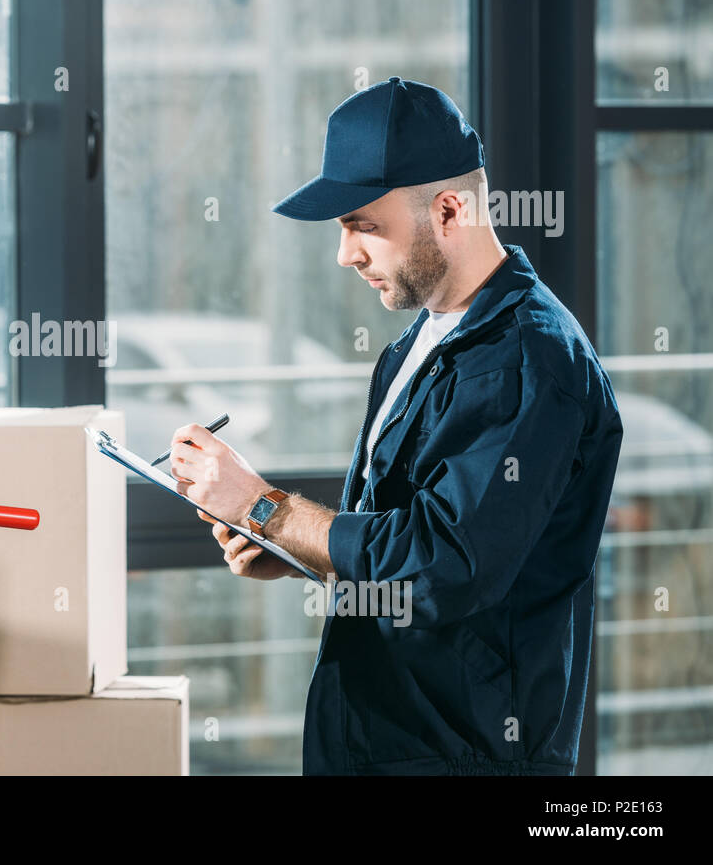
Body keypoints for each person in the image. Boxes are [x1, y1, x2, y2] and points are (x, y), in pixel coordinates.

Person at [168, 77, 624, 775]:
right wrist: (294, 550)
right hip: (379, 742)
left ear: (448, 211)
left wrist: (266, 507)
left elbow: (441, 565)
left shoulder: (533, 362)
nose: (345, 252)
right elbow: (396, 547)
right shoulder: (418, 343)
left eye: (362, 224)